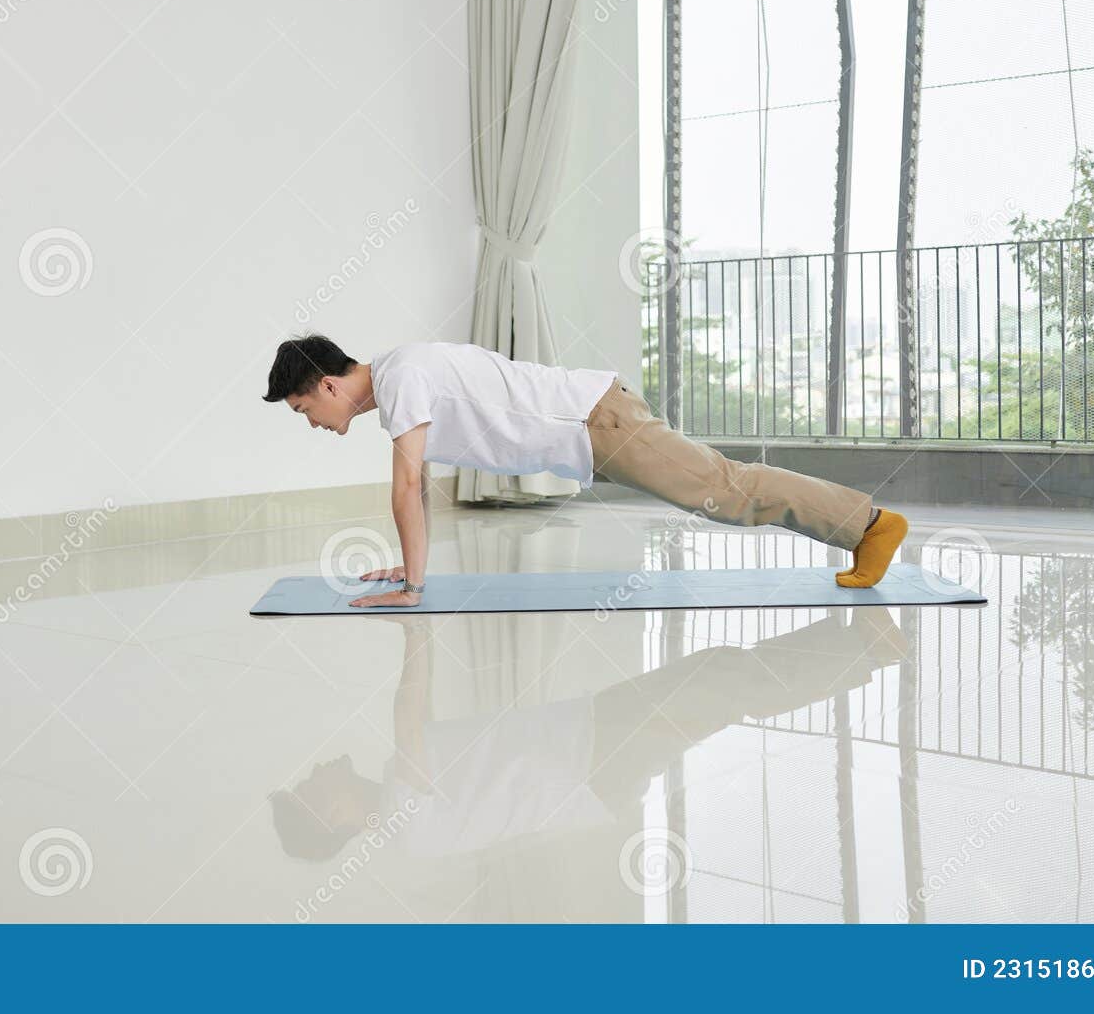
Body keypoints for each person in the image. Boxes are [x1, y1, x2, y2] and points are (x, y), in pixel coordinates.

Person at [261, 334, 909, 609]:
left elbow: (405, 485)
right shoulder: (402, 375)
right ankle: (867, 525)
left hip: (597, 423)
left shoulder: (399, 377)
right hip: (596, 422)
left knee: (727, 490)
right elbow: (418, 485)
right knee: (724, 488)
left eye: (302, 407)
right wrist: (411, 566)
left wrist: (414, 586)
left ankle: (872, 525)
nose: (310, 420)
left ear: (326, 383)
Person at [269, 606, 909, 863]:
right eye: (308, 785)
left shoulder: (402, 813)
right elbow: (409, 720)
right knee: (723, 686)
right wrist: (416, 634)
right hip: (594, 756)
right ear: (328, 814)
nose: (317, 769)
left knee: (716, 679)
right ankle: (866, 649)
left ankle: (855, 647)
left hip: (589, 741)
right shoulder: (400, 816)